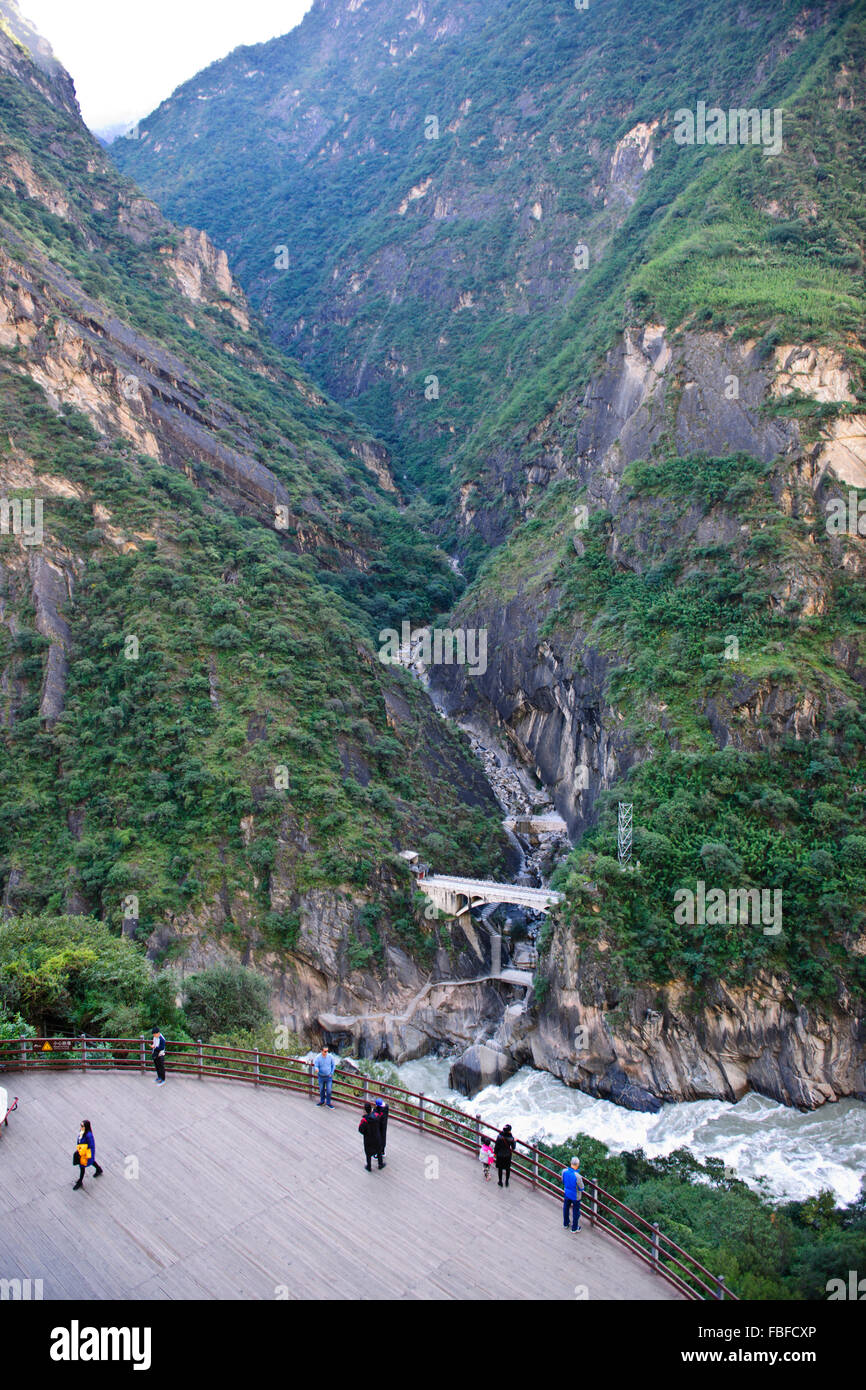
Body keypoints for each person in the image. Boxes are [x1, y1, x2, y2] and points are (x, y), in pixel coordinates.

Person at [72, 1119, 103, 1190]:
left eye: (82, 1126)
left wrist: (83, 1152)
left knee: (82, 1166)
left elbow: (90, 1145)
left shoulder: (89, 1135)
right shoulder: (83, 1132)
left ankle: (80, 1181)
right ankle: (98, 1169)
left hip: (85, 1152)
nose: (81, 1127)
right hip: (82, 1150)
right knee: (91, 1162)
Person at [562, 1156, 585, 1232]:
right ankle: (574, 1228)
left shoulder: (564, 1171)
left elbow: (563, 1180)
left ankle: (565, 1223)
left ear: (571, 1163)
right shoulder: (578, 1176)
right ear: (577, 1165)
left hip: (567, 1193)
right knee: (576, 1212)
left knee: (566, 1208)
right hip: (576, 1196)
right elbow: (582, 1188)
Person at [358, 1102, 382, 1171]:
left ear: (365, 1110)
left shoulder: (364, 1120)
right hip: (377, 1137)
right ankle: (380, 1164)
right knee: (378, 1150)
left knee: (368, 1153)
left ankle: (369, 1166)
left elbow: (360, 1130)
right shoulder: (377, 1116)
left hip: (368, 1139)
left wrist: (366, 1133)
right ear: (371, 1109)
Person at [494, 1124, 516, 1188]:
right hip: (507, 1155)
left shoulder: (499, 1136)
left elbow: (496, 1146)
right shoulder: (511, 1138)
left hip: (500, 1155)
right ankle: (506, 1182)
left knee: (500, 1169)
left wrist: (495, 1153)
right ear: (509, 1131)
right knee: (507, 1169)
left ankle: (500, 1181)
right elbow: (513, 1147)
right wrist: (514, 1141)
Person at [373, 1098, 389, 1165]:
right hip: (384, 1126)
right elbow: (386, 1105)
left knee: (378, 1140)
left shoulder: (376, 1112)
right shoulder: (386, 1108)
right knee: (383, 1138)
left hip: (378, 1128)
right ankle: (383, 1151)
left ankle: (377, 1154)